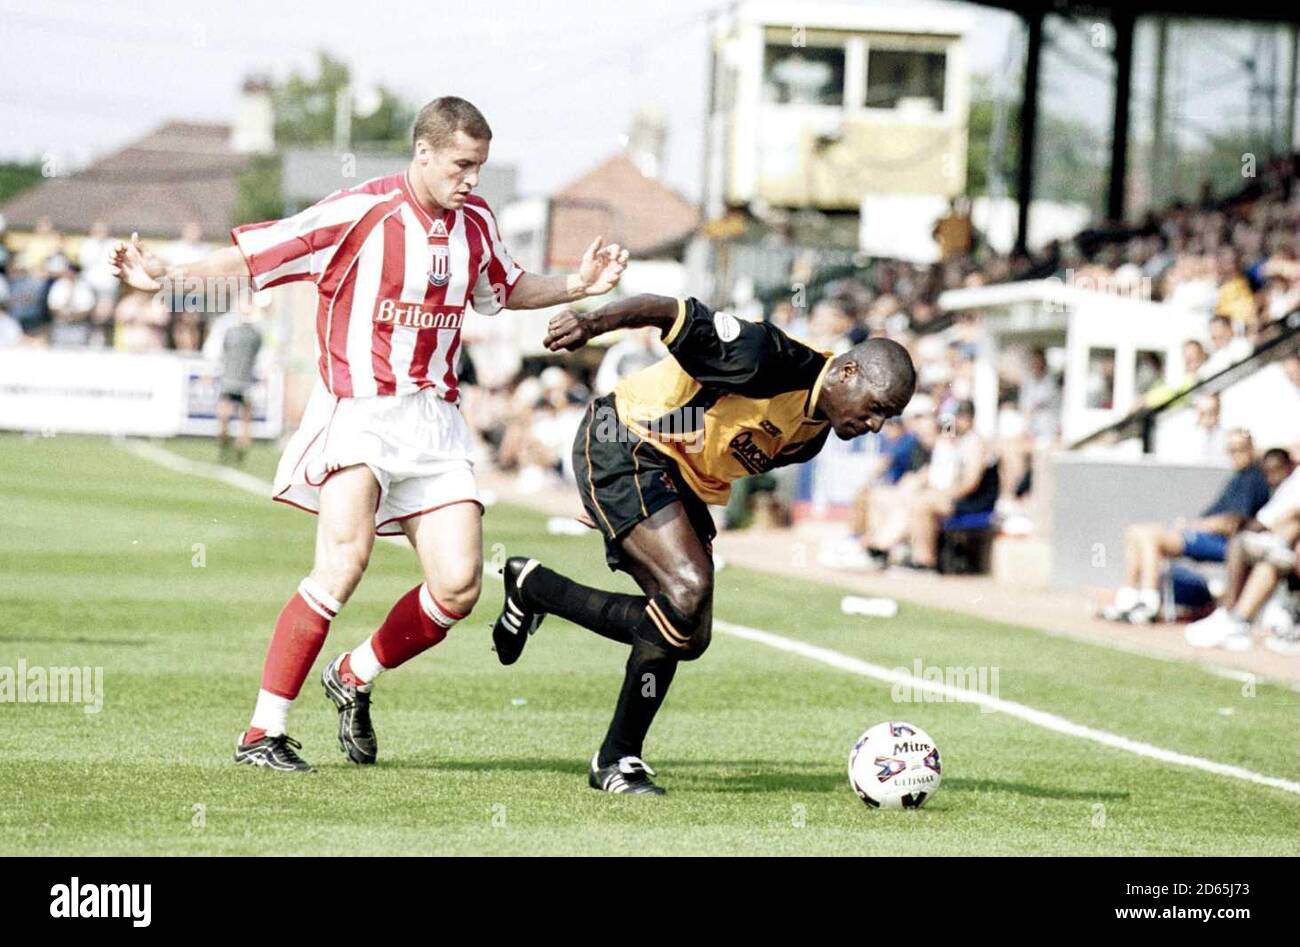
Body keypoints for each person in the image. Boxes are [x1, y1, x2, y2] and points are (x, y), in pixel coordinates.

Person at [112, 96, 629, 772]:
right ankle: (261, 732)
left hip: (436, 421)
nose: (471, 179)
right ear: (423, 152)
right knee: (342, 564)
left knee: (459, 587)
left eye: (480, 166)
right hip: (359, 410)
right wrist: (171, 277)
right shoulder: (360, 211)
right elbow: (258, 255)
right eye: (461, 165)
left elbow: (504, 286)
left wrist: (576, 285)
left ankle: (355, 673)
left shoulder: (475, 221)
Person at [487, 294, 916, 794]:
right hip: (623, 436)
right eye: (877, 409)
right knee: (687, 587)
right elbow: (670, 311)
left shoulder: (813, 434)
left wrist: (622, 503)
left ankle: (535, 588)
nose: (877, 425)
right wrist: (590, 322)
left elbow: (711, 434)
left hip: (675, 474)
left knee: (687, 634)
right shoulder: (764, 356)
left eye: (889, 418)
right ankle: (616, 759)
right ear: (847, 375)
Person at [1103, 430, 1275, 624]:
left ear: (1251, 449)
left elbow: (1232, 522)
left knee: (1151, 536)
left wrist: (1193, 526)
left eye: (1239, 449)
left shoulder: (1253, 478)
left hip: (1226, 543)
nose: (1235, 454)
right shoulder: (1238, 477)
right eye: (1230, 449)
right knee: (1135, 532)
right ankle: (1129, 599)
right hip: (1207, 536)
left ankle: (1148, 601)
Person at [1185, 455, 1299, 652]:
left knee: (1245, 544)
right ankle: (1235, 621)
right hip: (1276, 542)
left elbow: (1293, 514)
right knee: (1266, 560)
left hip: (1280, 538)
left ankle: (1232, 616)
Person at [203, 294, 265, 464]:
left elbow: (262, 354)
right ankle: (224, 443)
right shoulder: (226, 326)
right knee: (224, 415)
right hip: (229, 377)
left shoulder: (258, 328)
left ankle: (241, 450)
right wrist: (210, 371)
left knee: (246, 418)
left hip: (247, 379)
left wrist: (262, 374)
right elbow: (214, 350)